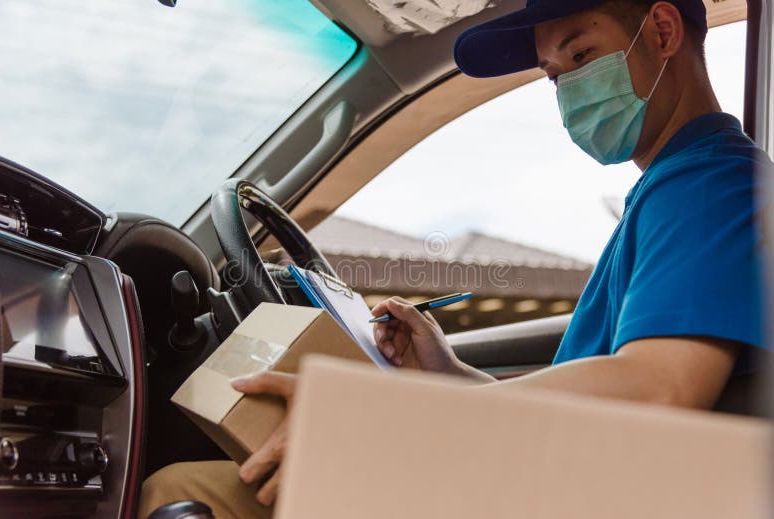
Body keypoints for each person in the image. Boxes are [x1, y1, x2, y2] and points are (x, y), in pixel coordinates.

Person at [137, 0, 770, 517]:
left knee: (184, 494)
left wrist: (378, 420)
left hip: (582, 493)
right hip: (565, 480)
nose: (569, 89)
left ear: (662, 31)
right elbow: (599, 393)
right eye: (554, 76)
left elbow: (659, 388)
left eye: (580, 54)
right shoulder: (673, 188)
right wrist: (451, 378)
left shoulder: (710, 184)